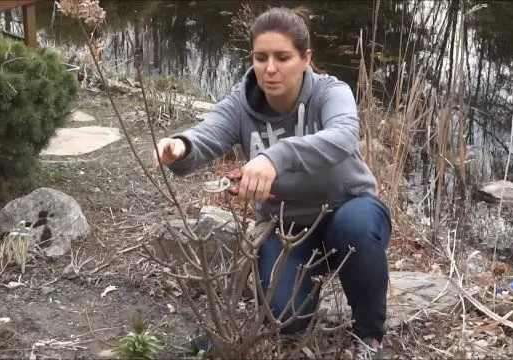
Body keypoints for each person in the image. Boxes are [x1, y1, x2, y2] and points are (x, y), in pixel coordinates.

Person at [153, 6, 390, 359]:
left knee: (356, 227)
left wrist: (274, 157)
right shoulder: (242, 102)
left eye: (283, 57)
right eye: (260, 57)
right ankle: (303, 298)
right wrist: (180, 146)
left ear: (306, 58)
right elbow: (209, 133)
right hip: (287, 226)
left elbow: (343, 137)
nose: (270, 68)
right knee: (288, 317)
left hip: (349, 211)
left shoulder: (329, 92)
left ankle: (369, 336)